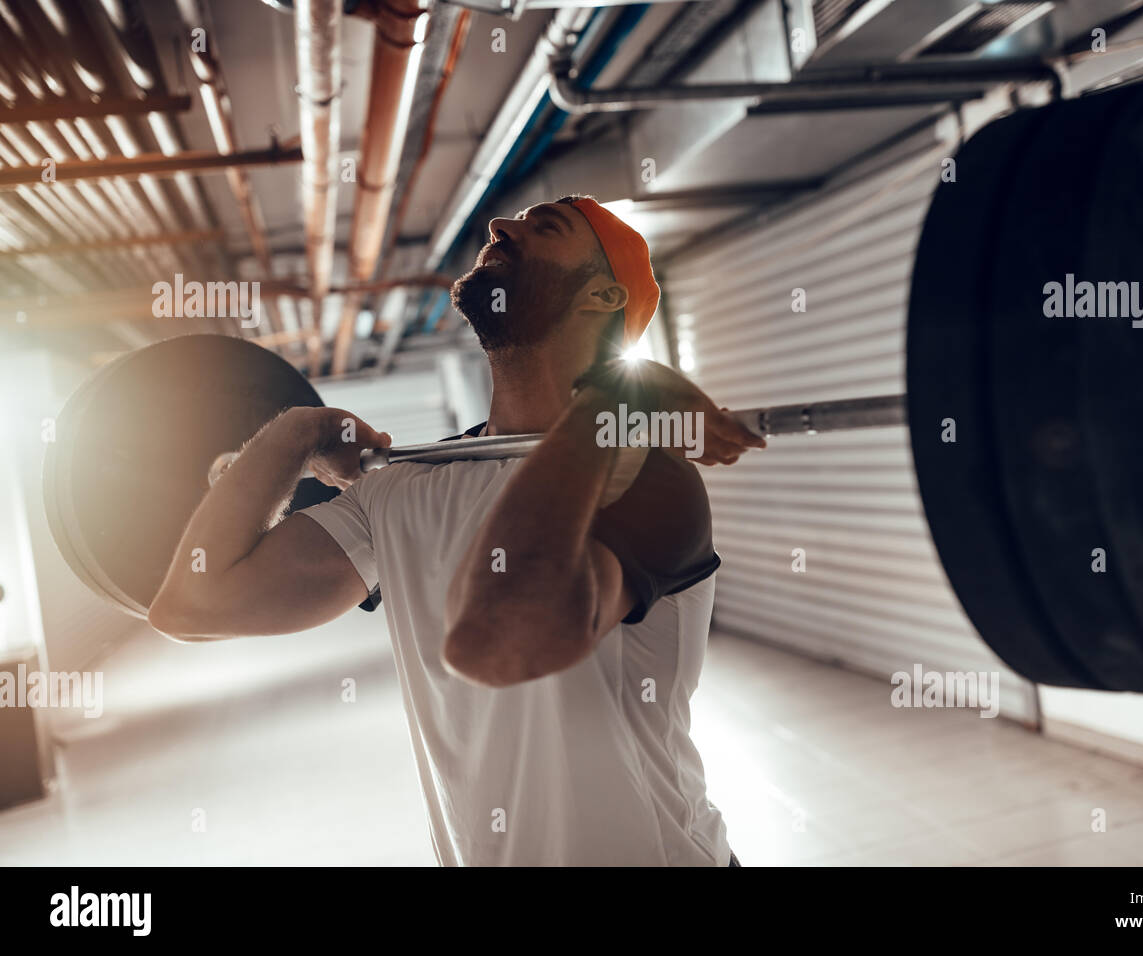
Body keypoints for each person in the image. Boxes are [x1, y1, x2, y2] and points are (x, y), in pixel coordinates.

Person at [147, 195, 765, 866]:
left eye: (544, 226)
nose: (500, 227)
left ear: (603, 295)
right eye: (511, 222)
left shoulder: (644, 474)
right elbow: (193, 603)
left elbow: (498, 643)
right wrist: (299, 432)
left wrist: (611, 406)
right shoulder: (399, 491)